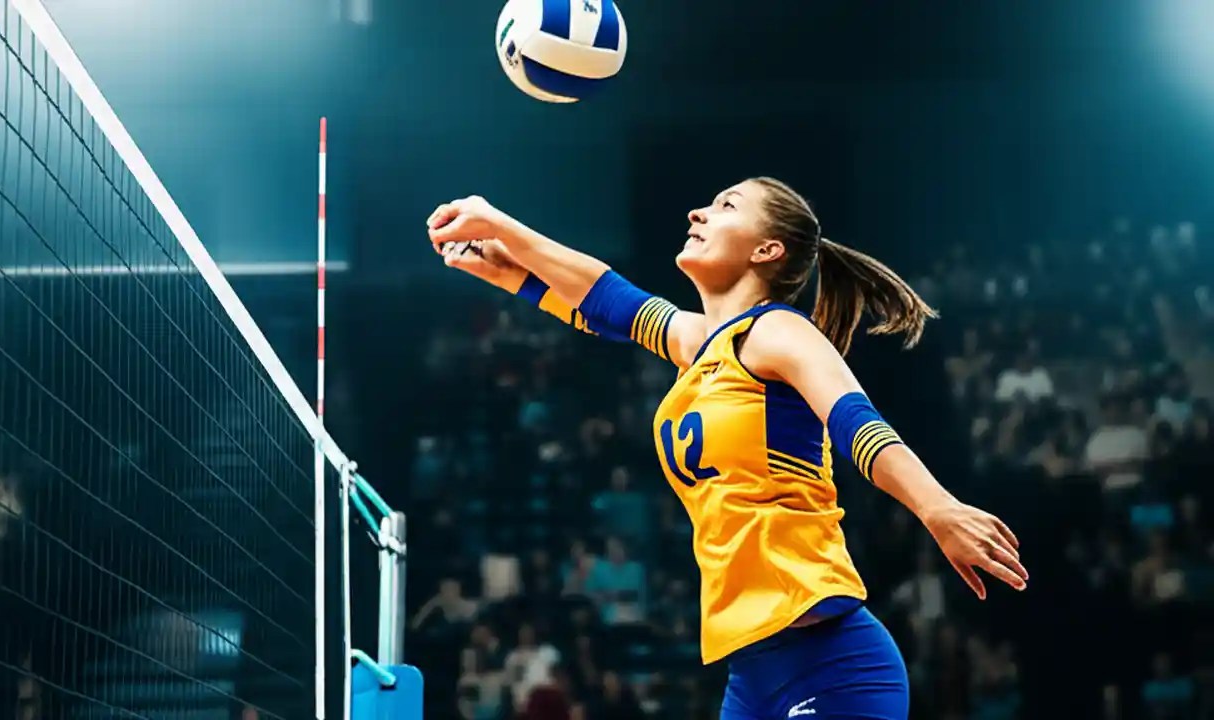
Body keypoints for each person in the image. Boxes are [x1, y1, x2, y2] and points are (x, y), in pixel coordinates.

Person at [426, 177, 1028, 719]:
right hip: (750, 676)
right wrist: (510, 268)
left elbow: (855, 421)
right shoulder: (702, 344)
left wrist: (936, 507)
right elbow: (606, 300)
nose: (696, 212)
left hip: (832, 661)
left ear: (767, 251)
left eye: (725, 205)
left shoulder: (779, 330)